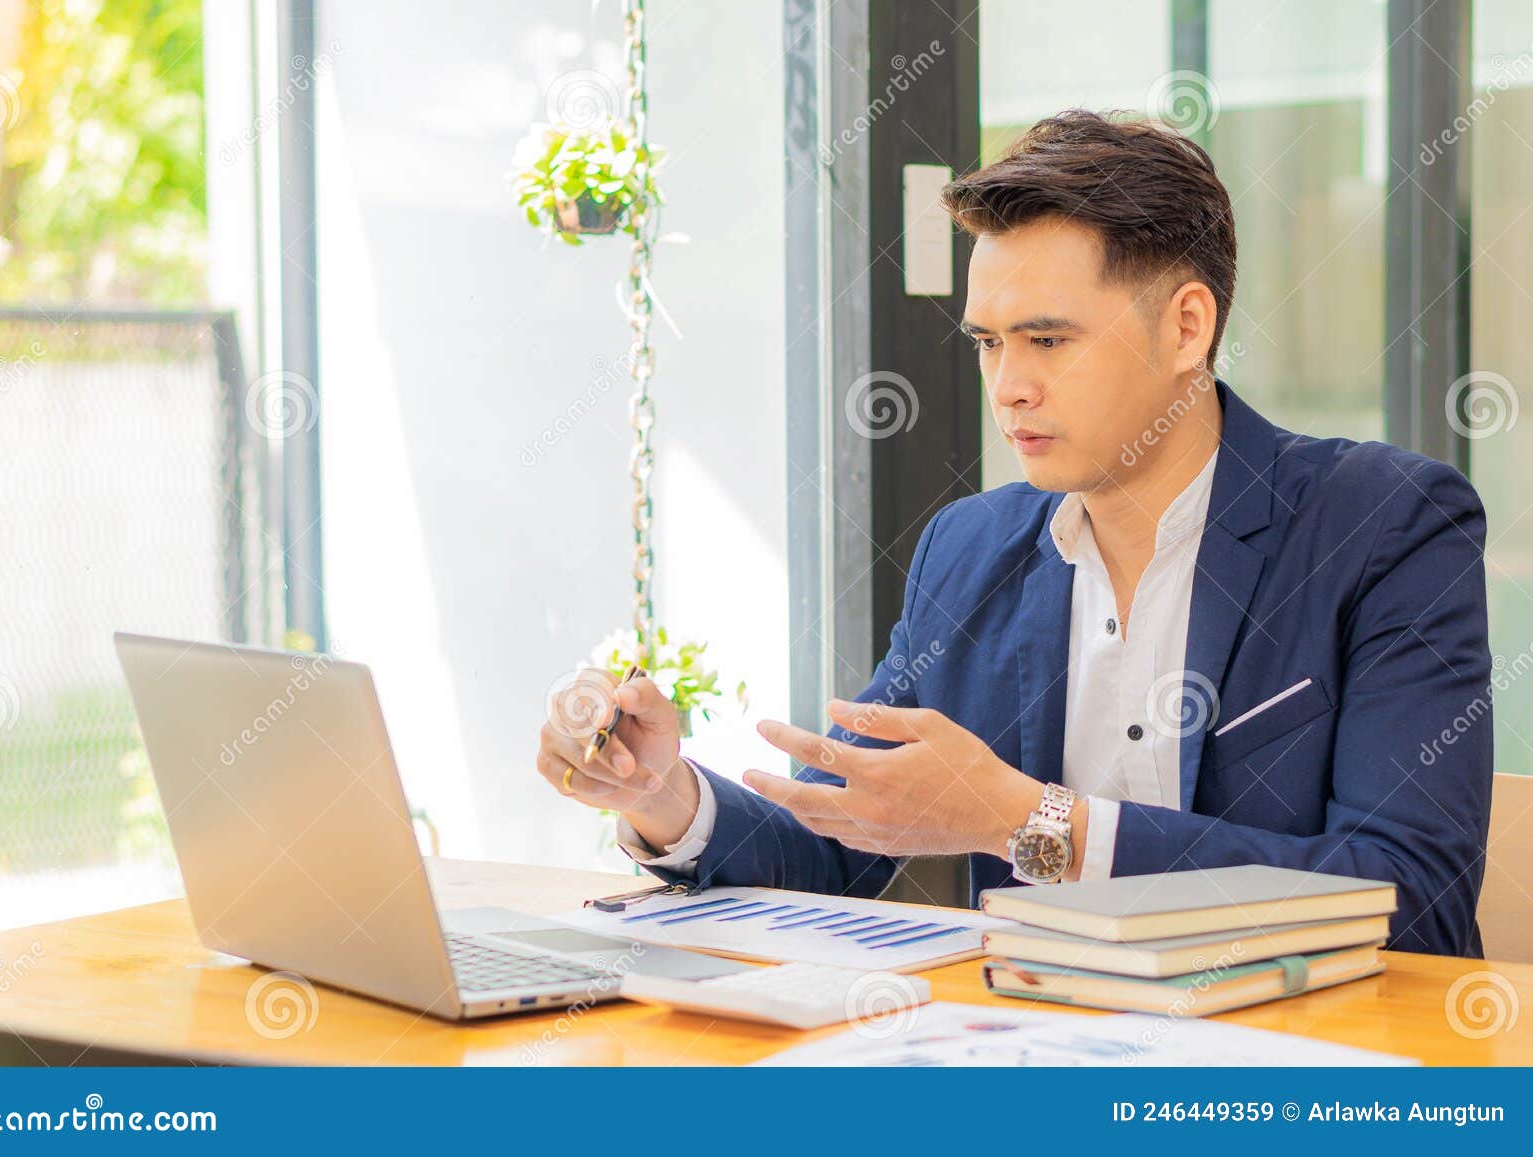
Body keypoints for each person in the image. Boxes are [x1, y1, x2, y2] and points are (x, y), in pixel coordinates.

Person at [533, 110, 1493, 957]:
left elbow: (1414, 902)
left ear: (1188, 328)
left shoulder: (1382, 524)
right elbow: (832, 840)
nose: (1008, 386)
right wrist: (661, 796)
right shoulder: (973, 549)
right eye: (990, 344)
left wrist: (1026, 818)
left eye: (1048, 339)